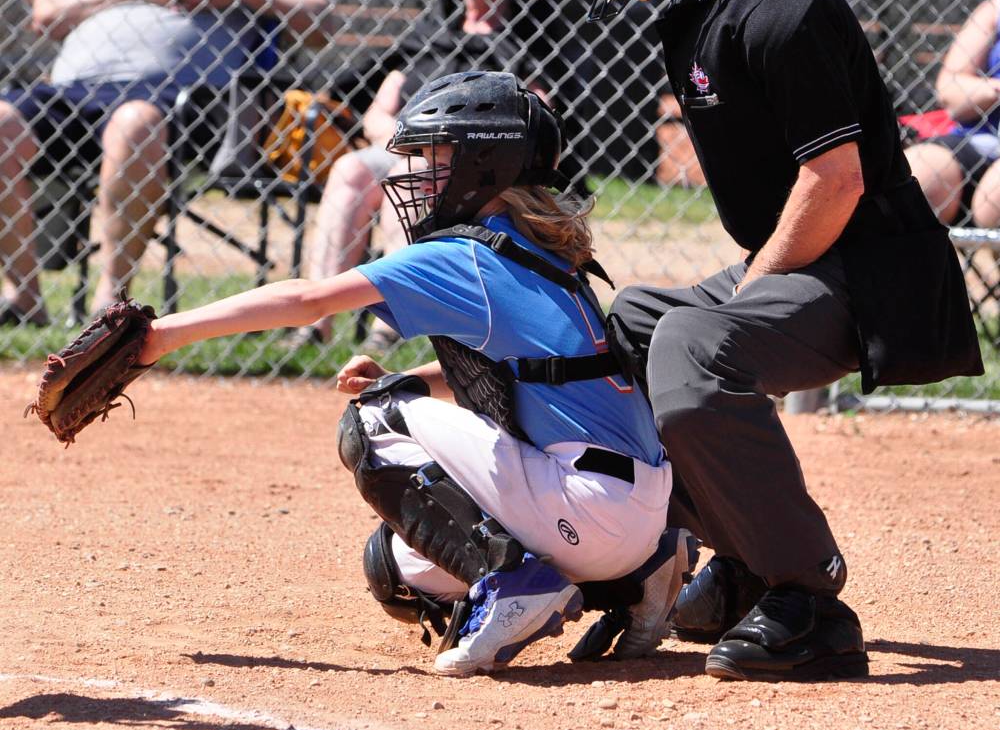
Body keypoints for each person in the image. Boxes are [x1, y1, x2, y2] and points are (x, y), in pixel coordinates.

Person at [568, 0, 982, 681]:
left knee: (693, 344)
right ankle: (748, 562)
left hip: (875, 269)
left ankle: (810, 599)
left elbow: (836, 181)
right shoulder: (705, 5)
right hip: (816, 257)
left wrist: (748, 291)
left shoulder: (779, 3)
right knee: (635, 321)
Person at [136, 70, 694, 675]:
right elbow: (523, 373)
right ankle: (640, 576)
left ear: (484, 166)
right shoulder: (538, 248)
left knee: (373, 419)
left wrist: (162, 335)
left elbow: (307, 299)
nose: (417, 175)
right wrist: (412, 381)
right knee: (400, 568)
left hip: (586, 505)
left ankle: (514, 582)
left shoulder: (465, 255)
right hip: (631, 513)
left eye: (436, 157)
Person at [0, 0, 333, 324]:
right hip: (75, 94)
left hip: (181, 106)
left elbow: (319, 21)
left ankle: (109, 308)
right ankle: (24, 298)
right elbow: (46, 12)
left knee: (134, 122)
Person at [293, 0, 581, 348]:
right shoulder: (437, 22)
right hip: (403, 146)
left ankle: (388, 325)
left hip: (475, 163)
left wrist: (445, 147)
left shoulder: (534, 31)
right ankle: (316, 320)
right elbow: (381, 106)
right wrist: (405, 138)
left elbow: (539, 113)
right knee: (350, 170)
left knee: (409, 177)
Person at [904, 0, 1000, 228]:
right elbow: (950, 90)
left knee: (992, 203)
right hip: (978, 137)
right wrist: (994, 89)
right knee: (917, 174)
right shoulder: (994, 10)